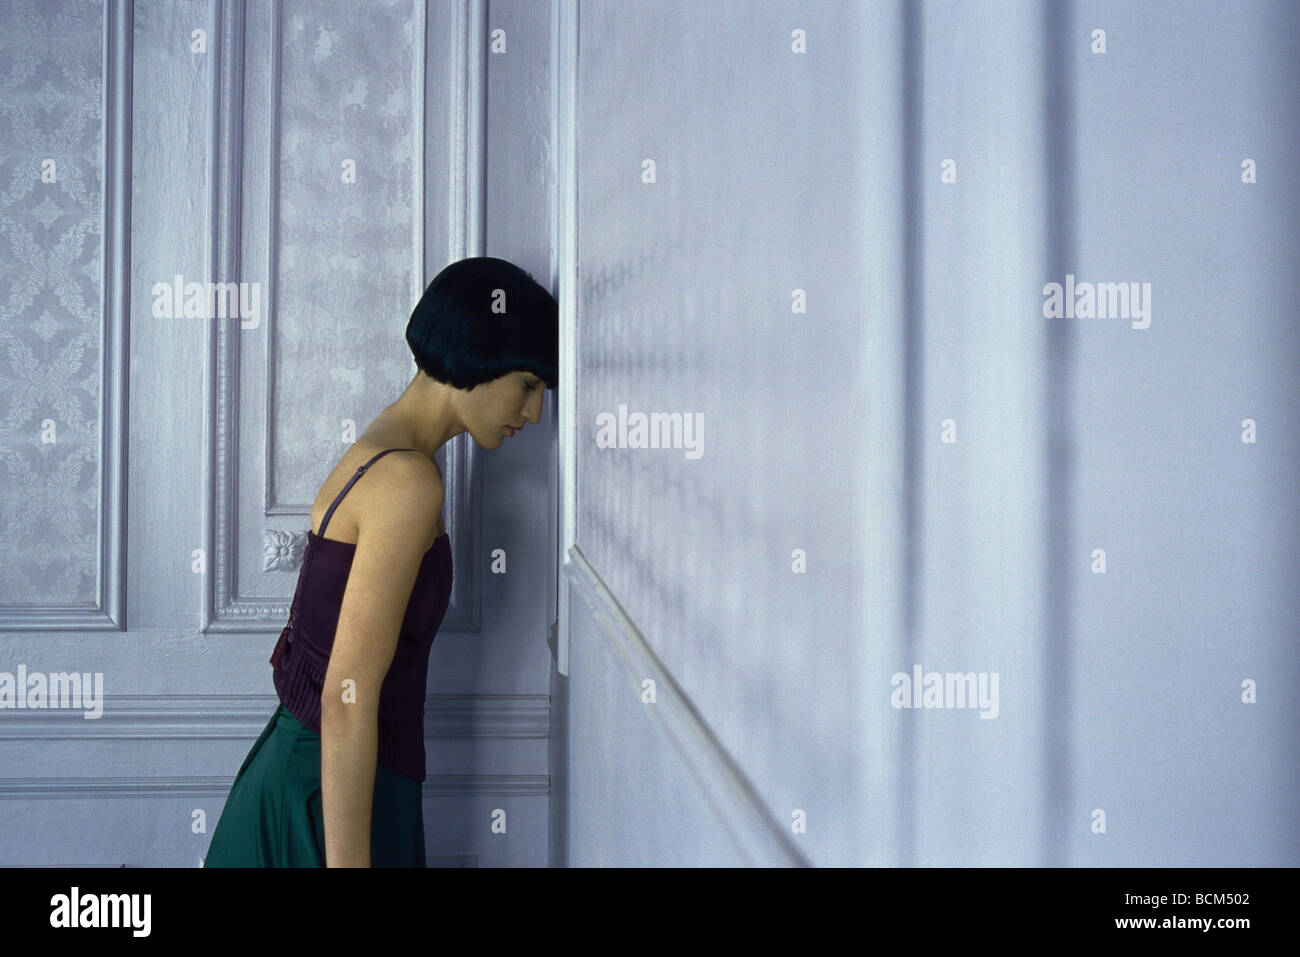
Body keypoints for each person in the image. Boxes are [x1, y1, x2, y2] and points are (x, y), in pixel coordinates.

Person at [203, 257, 558, 867]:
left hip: (327, 775)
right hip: (330, 792)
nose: (533, 412)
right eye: (527, 384)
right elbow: (346, 695)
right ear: (478, 352)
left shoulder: (383, 453)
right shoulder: (407, 481)